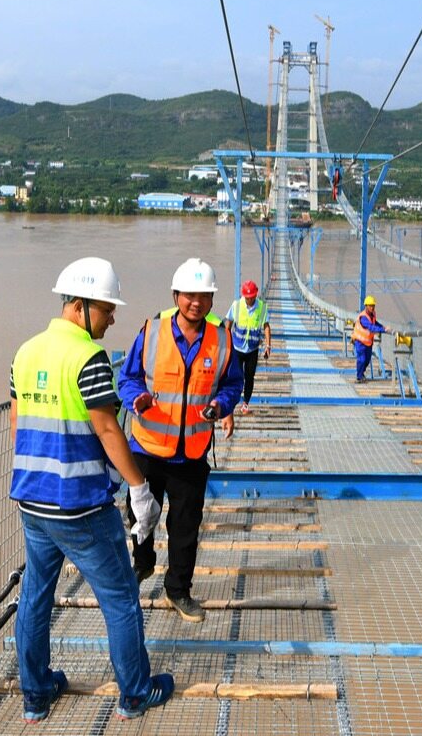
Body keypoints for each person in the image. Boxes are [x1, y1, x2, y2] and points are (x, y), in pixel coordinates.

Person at [9, 257, 174, 722]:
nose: (112, 319)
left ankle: (35, 693)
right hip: (80, 505)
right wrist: (139, 489)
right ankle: (136, 693)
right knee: (120, 597)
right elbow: (106, 429)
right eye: (106, 309)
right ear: (79, 306)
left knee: (36, 595)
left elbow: (18, 423)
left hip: (32, 499)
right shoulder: (88, 358)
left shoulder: (25, 352)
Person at [117, 258, 243, 623]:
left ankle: (178, 590)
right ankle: (143, 563)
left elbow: (232, 383)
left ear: (212, 300)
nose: (196, 303)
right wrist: (136, 398)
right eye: (189, 295)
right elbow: (127, 378)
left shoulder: (222, 340)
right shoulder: (151, 332)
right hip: (148, 448)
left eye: (204, 296)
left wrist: (221, 405)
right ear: (176, 295)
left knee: (185, 528)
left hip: (191, 454)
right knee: (140, 516)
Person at [224, 279, 271, 414]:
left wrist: (268, 345)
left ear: (256, 295)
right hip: (237, 348)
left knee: (249, 376)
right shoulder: (237, 305)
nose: (249, 300)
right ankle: (232, 401)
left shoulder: (262, 307)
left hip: (252, 349)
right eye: (247, 297)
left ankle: (245, 403)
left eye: (251, 297)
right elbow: (228, 324)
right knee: (236, 376)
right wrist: (226, 343)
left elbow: (266, 326)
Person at [352, 295, 386, 382]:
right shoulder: (363, 317)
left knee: (367, 360)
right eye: (370, 306)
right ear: (366, 306)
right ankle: (359, 377)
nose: (372, 307)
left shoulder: (372, 315)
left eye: (373, 305)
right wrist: (383, 330)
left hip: (368, 342)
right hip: (360, 341)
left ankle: (361, 373)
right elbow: (371, 327)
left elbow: (374, 323)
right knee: (362, 359)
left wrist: (382, 327)